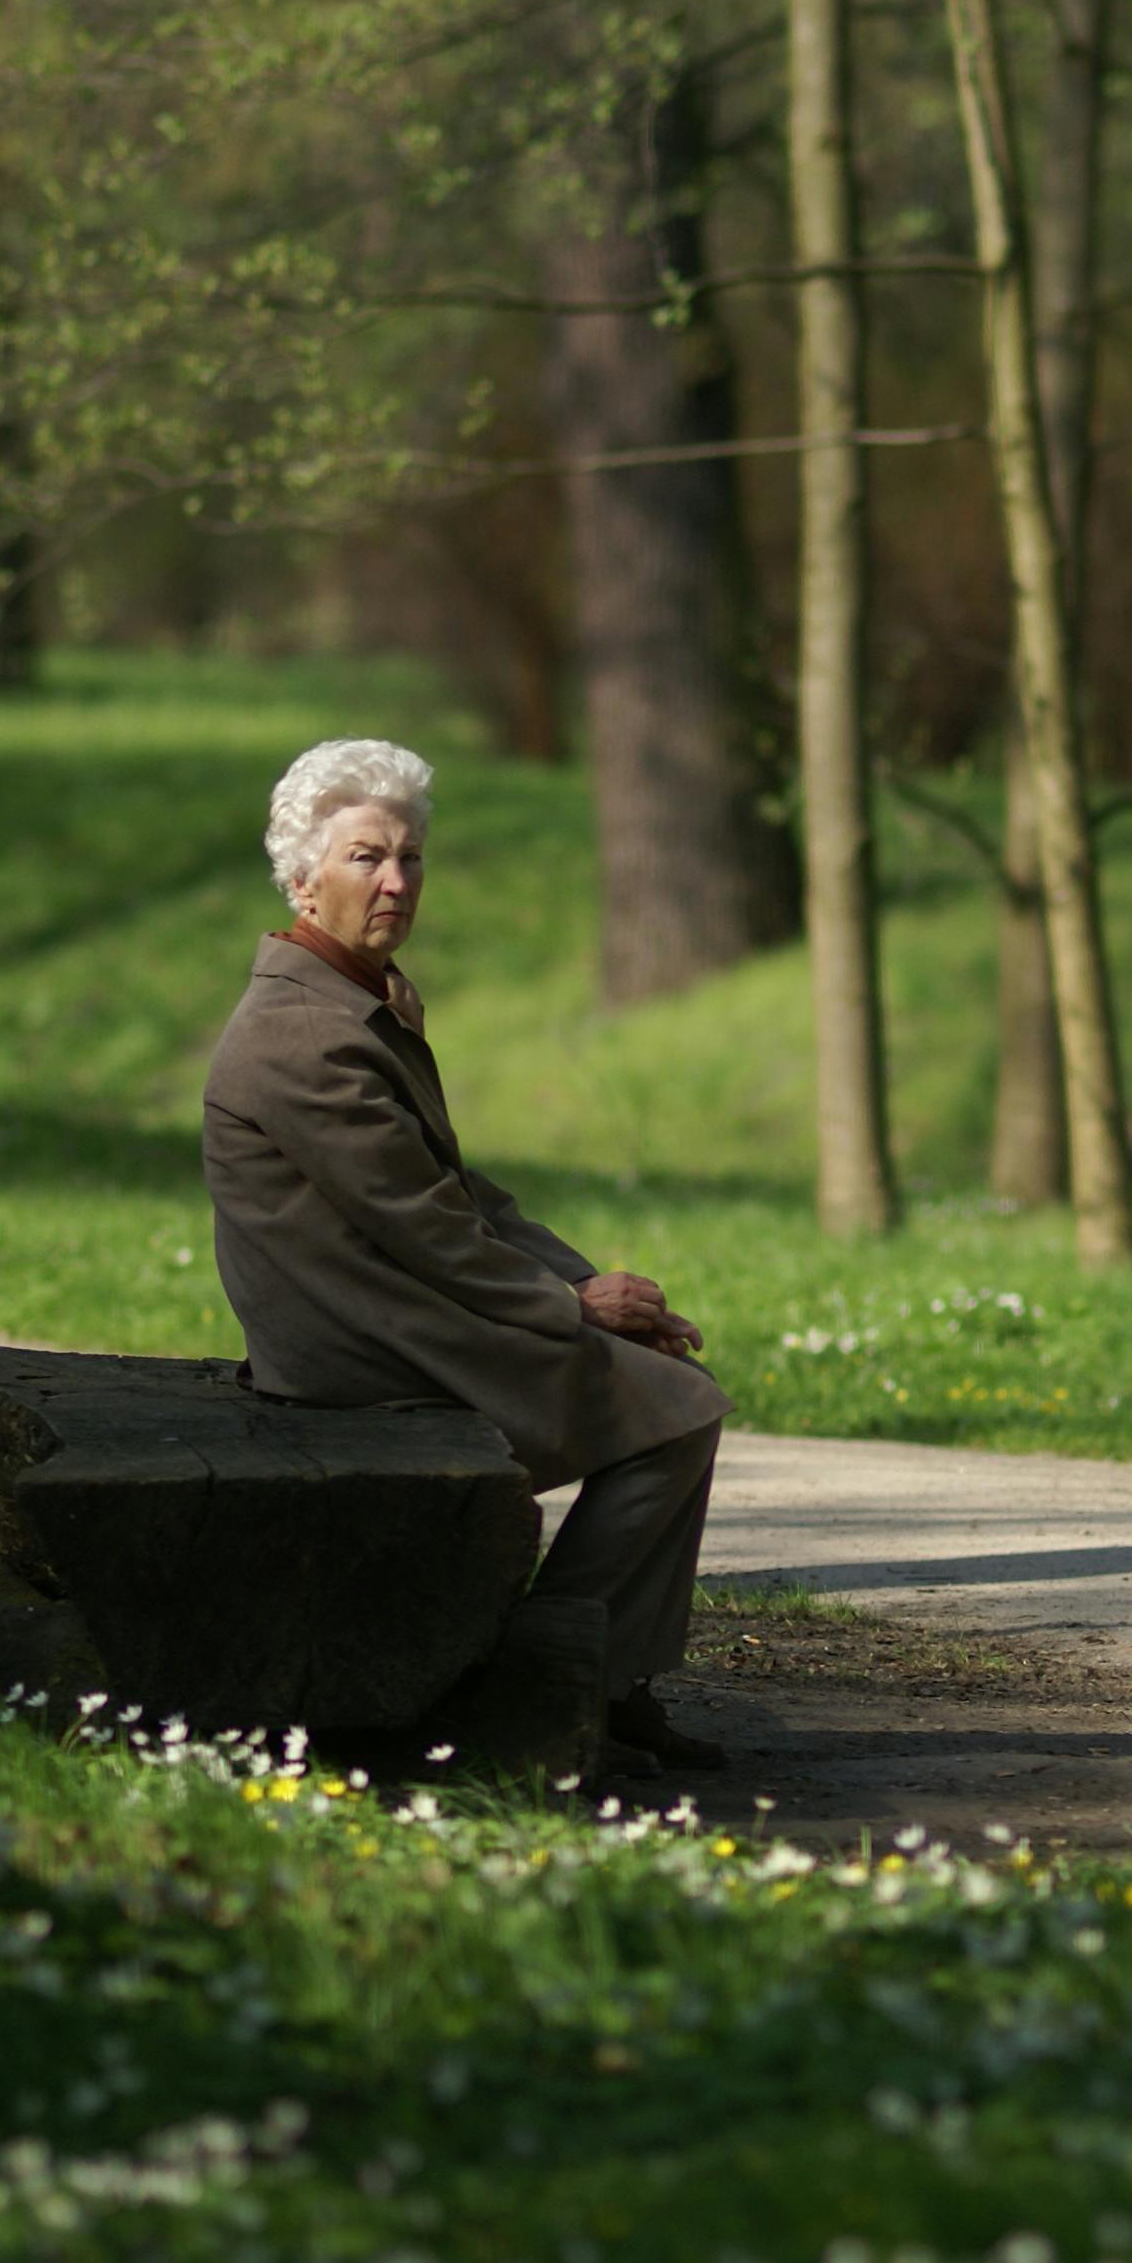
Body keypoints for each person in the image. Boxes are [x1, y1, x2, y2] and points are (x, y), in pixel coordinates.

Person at [204, 738, 733, 1779]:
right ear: (303, 876)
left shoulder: (354, 1000)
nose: (396, 881)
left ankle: (605, 1683)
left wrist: (587, 1282)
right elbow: (427, 1227)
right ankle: (555, 1680)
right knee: (675, 1411)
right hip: (362, 1345)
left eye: (408, 859)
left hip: (402, 1307)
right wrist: (576, 1308)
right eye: (366, 858)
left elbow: (460, 1195)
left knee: (675, 1392)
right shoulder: (302, 1033)